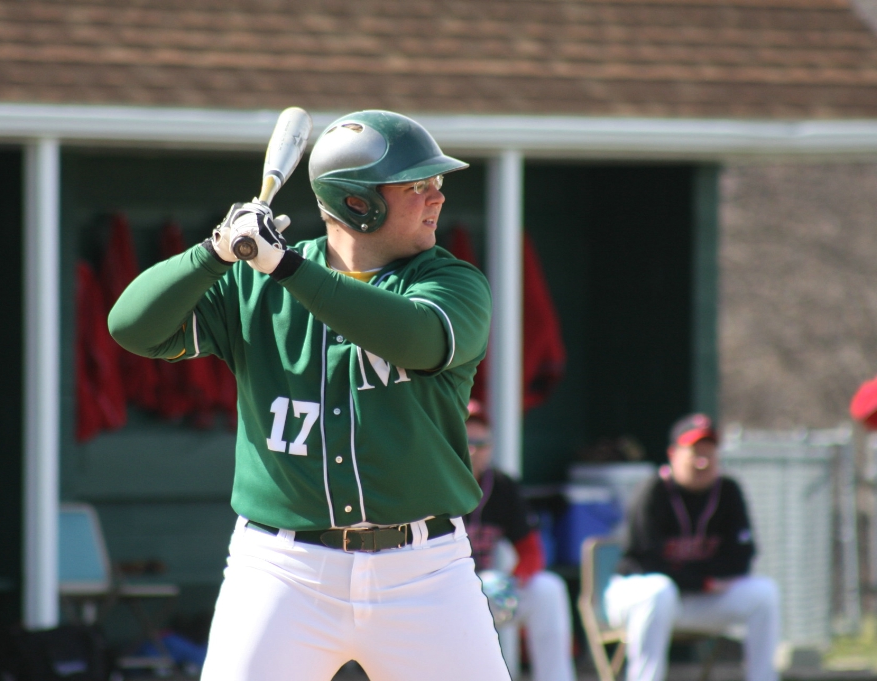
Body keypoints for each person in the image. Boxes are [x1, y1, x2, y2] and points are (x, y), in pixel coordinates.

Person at [108, 110, 510, 681]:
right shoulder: (255, 280)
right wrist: (215, 251)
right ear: (358, 203)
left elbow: (416, 339)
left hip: (424, 571)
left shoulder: (451, 281)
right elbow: (132, 327)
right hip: (281, 569)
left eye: (436, 183)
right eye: (416, 186)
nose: (437, 197)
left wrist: (285, 265)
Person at [603, 414, 780, 681]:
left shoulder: (728, 491)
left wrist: (698, 579)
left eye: (709, 453)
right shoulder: (653, 491)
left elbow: (741, 558)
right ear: (673, 454)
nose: (702, 461)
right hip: (638, 595)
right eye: (695, 452)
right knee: (659, 590)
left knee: (764, 592)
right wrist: (704, 580)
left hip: (698, 597)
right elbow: (646, 562)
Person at [463, 402, 576, 681]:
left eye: (481, 443)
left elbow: (531, 551)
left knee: (548, 589)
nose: (474, 450)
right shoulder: (432, 484)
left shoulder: (502, 486)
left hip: (486, 588)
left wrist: (513, 581)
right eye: (467, 441)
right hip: (440, 590)